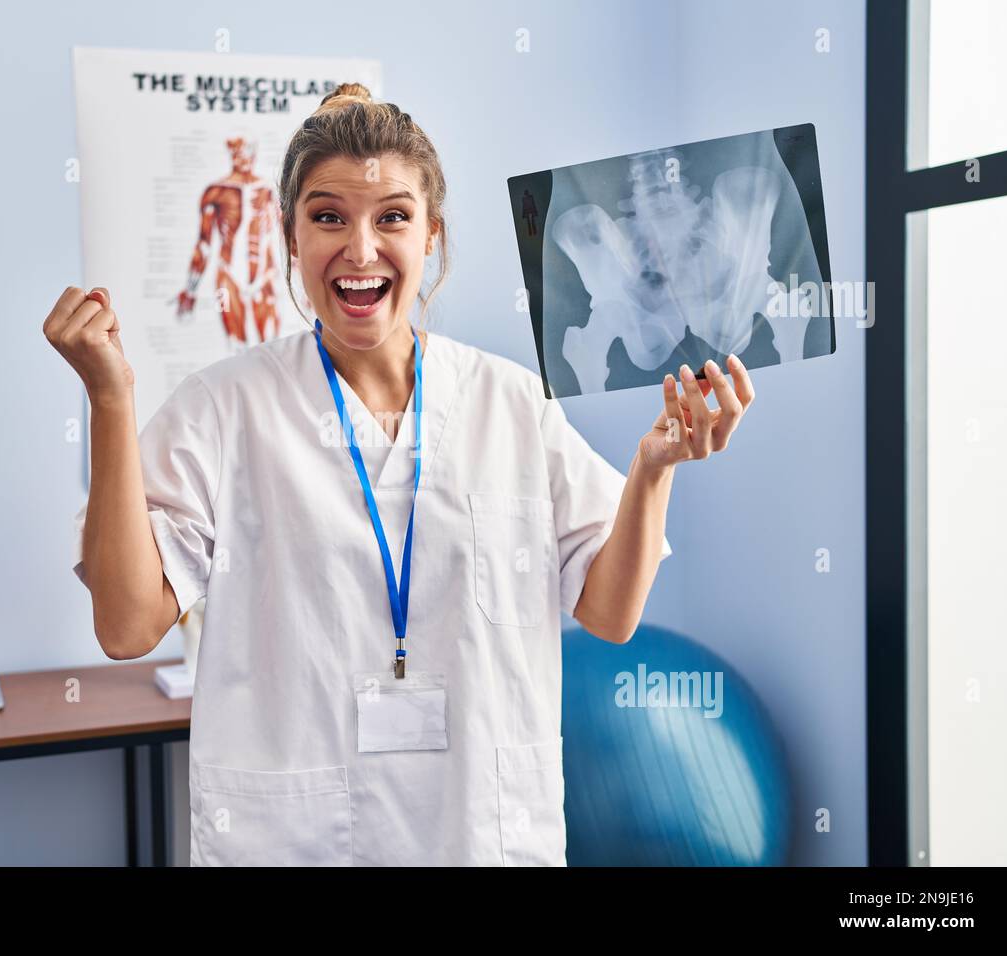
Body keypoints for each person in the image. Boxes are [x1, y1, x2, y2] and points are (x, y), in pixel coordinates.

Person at [43, 83, 755, 866]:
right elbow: (125, 625)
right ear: (288, 235)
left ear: (432, 236)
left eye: (391, 216)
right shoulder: (222, 407)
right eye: (327, 217)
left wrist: (653, 471)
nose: (359, 250)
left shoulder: (511, 402)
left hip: (480, 833)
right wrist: (110, 398)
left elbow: (611, 614)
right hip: (300, 841)